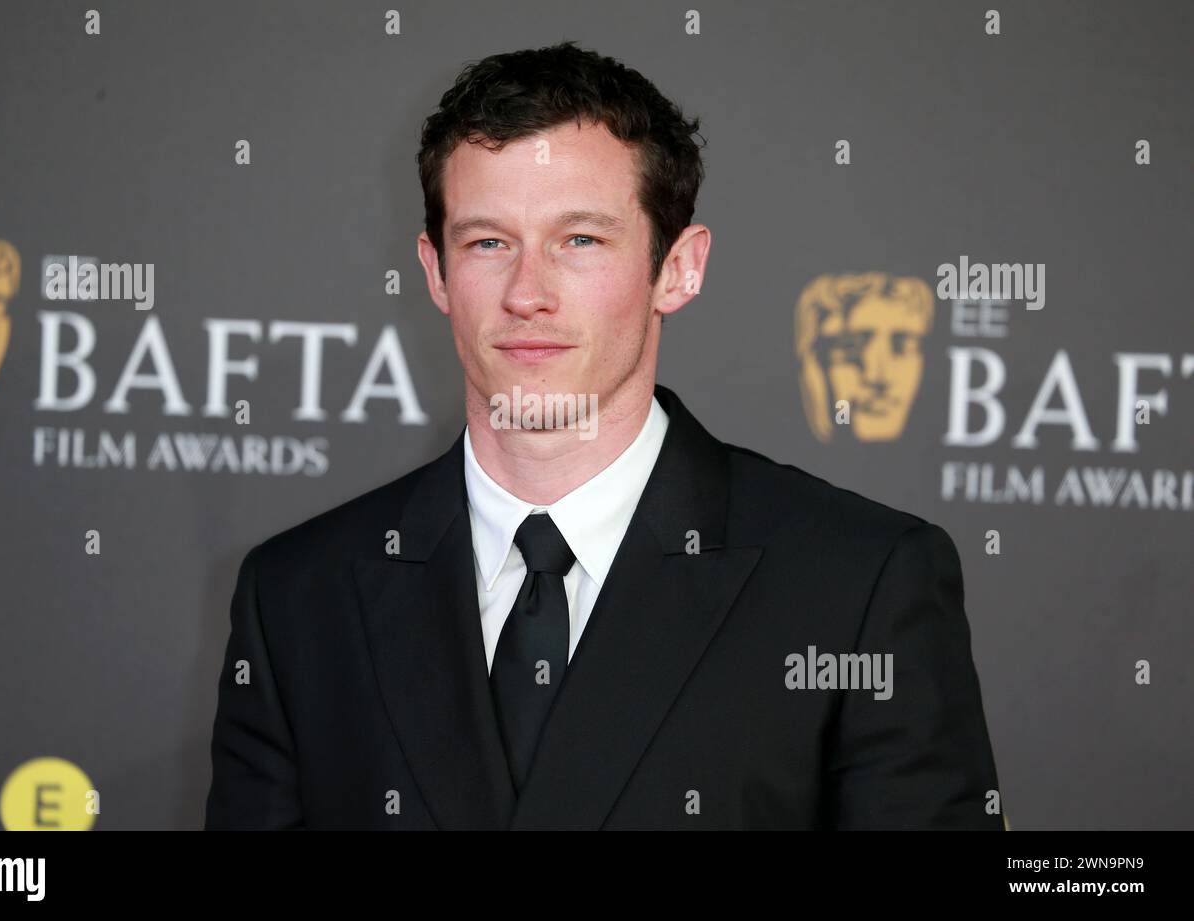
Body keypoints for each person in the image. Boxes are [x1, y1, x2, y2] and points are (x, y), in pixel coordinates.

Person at [204, 41, 1002, 830]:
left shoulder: (857, 582)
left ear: (679, 269)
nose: (527, 294)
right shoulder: (298, 597)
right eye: (488, 242)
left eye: (579, 240)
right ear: (436, 271)